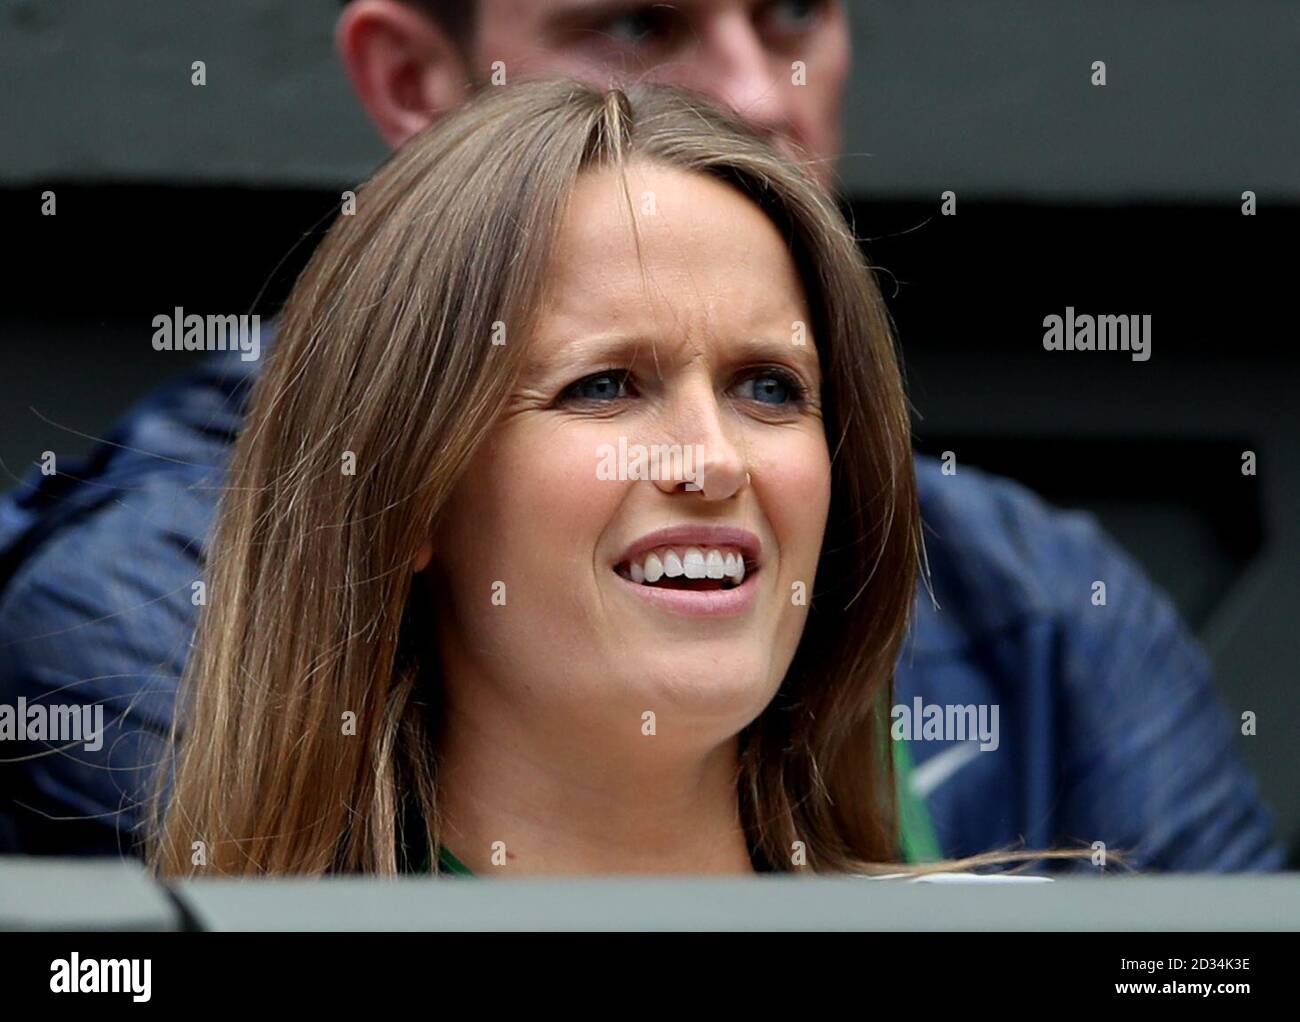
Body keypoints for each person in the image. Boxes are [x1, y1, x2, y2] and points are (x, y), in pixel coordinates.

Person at [0, 0, 1283, 871]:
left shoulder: (1049, 598)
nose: (747, 88)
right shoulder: (133, 600)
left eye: (775, 389)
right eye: (635, 22)